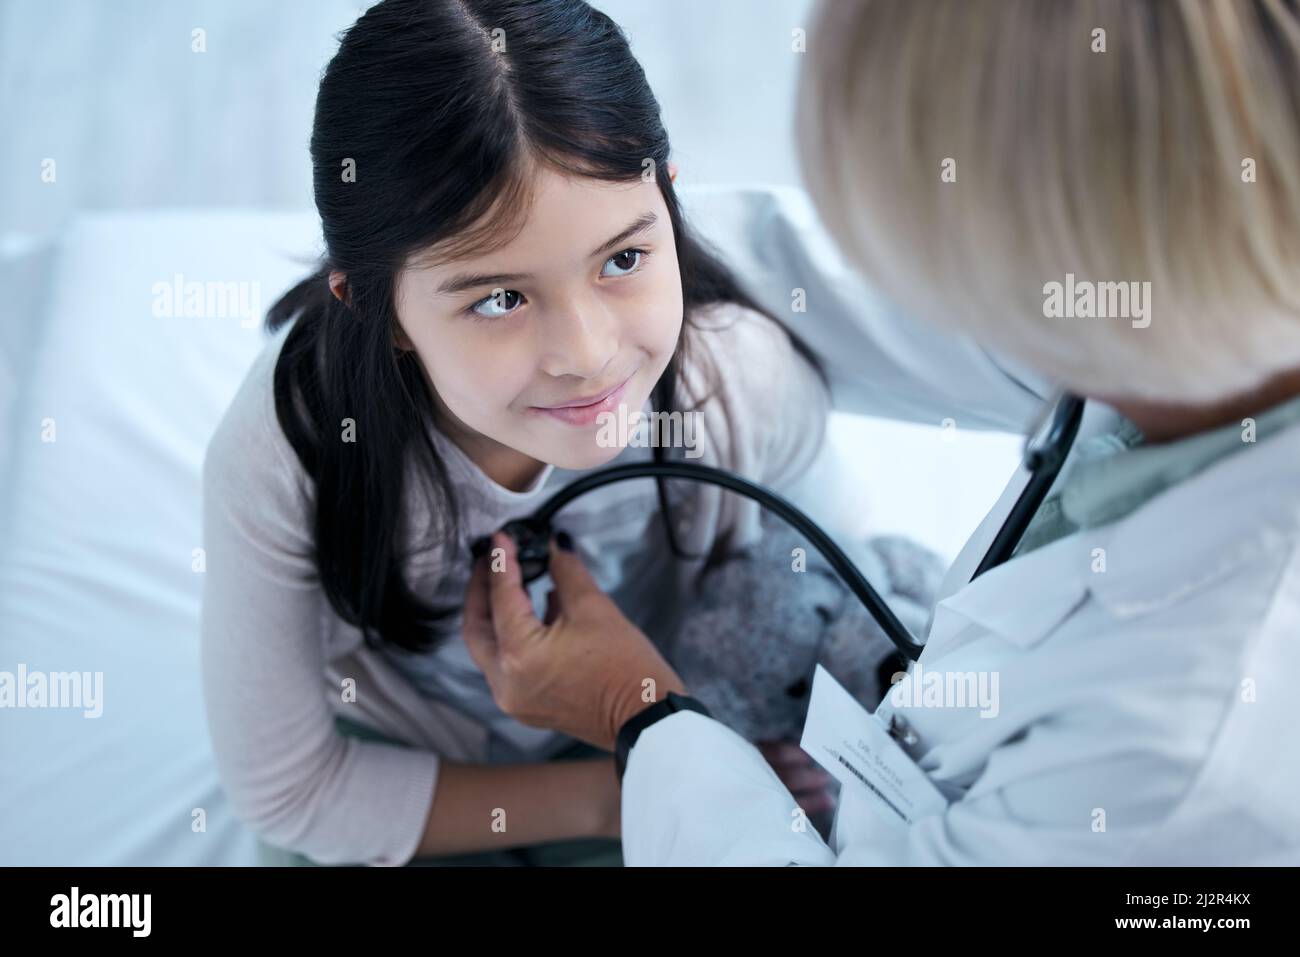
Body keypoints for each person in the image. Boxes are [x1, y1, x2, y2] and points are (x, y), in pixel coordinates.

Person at [461, 0, 1300, 865]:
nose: (590, 354)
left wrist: (634, 710)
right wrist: (589, 230)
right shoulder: (1177, 308)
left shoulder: (1192, 750)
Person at [199, 0, 844, 867]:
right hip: (418, 777)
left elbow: (829, 569)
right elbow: (291, 791)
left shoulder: (742, 384)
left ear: (668, 197)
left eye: (624, 259)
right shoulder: (291, 456)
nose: (587, 354)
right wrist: (626, 789)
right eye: (500, 298)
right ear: (381, 310)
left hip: (666, 729)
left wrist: (692, 745)